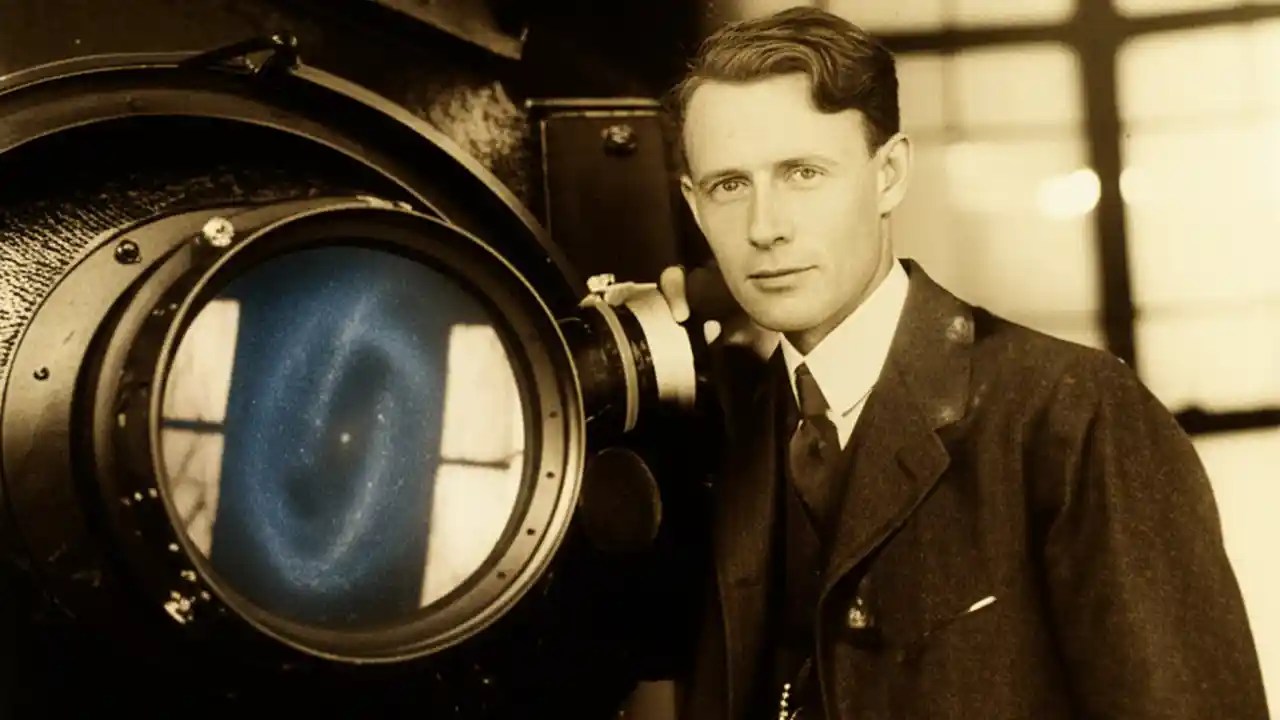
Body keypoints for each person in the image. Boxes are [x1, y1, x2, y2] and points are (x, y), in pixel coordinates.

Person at [625, 6, 1269, 719]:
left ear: (891, 174)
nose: (765, 227)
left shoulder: (1072, 413)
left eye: (803, 173)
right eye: (729, 186)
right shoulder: (730, 437)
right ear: (693, 203)